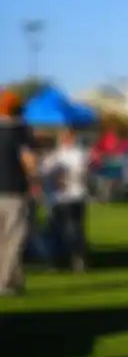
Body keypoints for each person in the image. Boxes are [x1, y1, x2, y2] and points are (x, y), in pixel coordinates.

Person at [0, 90, 38, 296]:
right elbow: (28, 160)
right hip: (14, 191)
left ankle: (13, 280)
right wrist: (35, 180)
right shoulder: (19, 131)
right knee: (14, 238)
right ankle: (5, 282)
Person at [44, 128, 90, 272]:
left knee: (75, 229)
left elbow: (82, 172)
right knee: (56, 230)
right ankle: (57, 260)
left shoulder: (79, 154)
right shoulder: (54, 155)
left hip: (74, 196)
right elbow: (45, 171)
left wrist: (68, 177)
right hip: (57, 198)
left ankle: (77, 260)